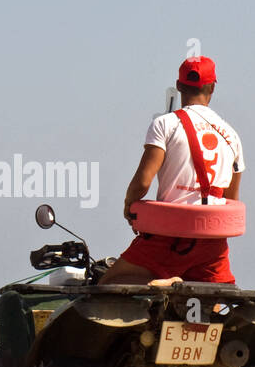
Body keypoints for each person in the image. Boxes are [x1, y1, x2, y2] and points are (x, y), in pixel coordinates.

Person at [100, 56, 244, 286]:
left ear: (178, 86)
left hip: (169, 238)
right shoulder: (232, 136)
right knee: (212, 303)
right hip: (213, 243)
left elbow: (143, 182)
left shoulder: (165, 124)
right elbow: (231, 199)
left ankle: (168, 281)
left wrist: (130, 205)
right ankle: (192, 295)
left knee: (109, 284)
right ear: (213, 87)